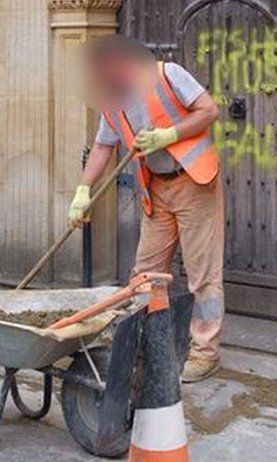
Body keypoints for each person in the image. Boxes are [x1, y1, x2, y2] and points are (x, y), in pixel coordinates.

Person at [70, 35, 223, 382]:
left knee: (203, 276)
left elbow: (209, 110)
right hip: (156, 188)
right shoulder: (112, 100)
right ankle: (149, 341)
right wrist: (82, 190)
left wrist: (169, 135)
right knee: (145, 273)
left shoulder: (168, 74)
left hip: (193, 181)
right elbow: (103, 147)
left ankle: (205, 353)